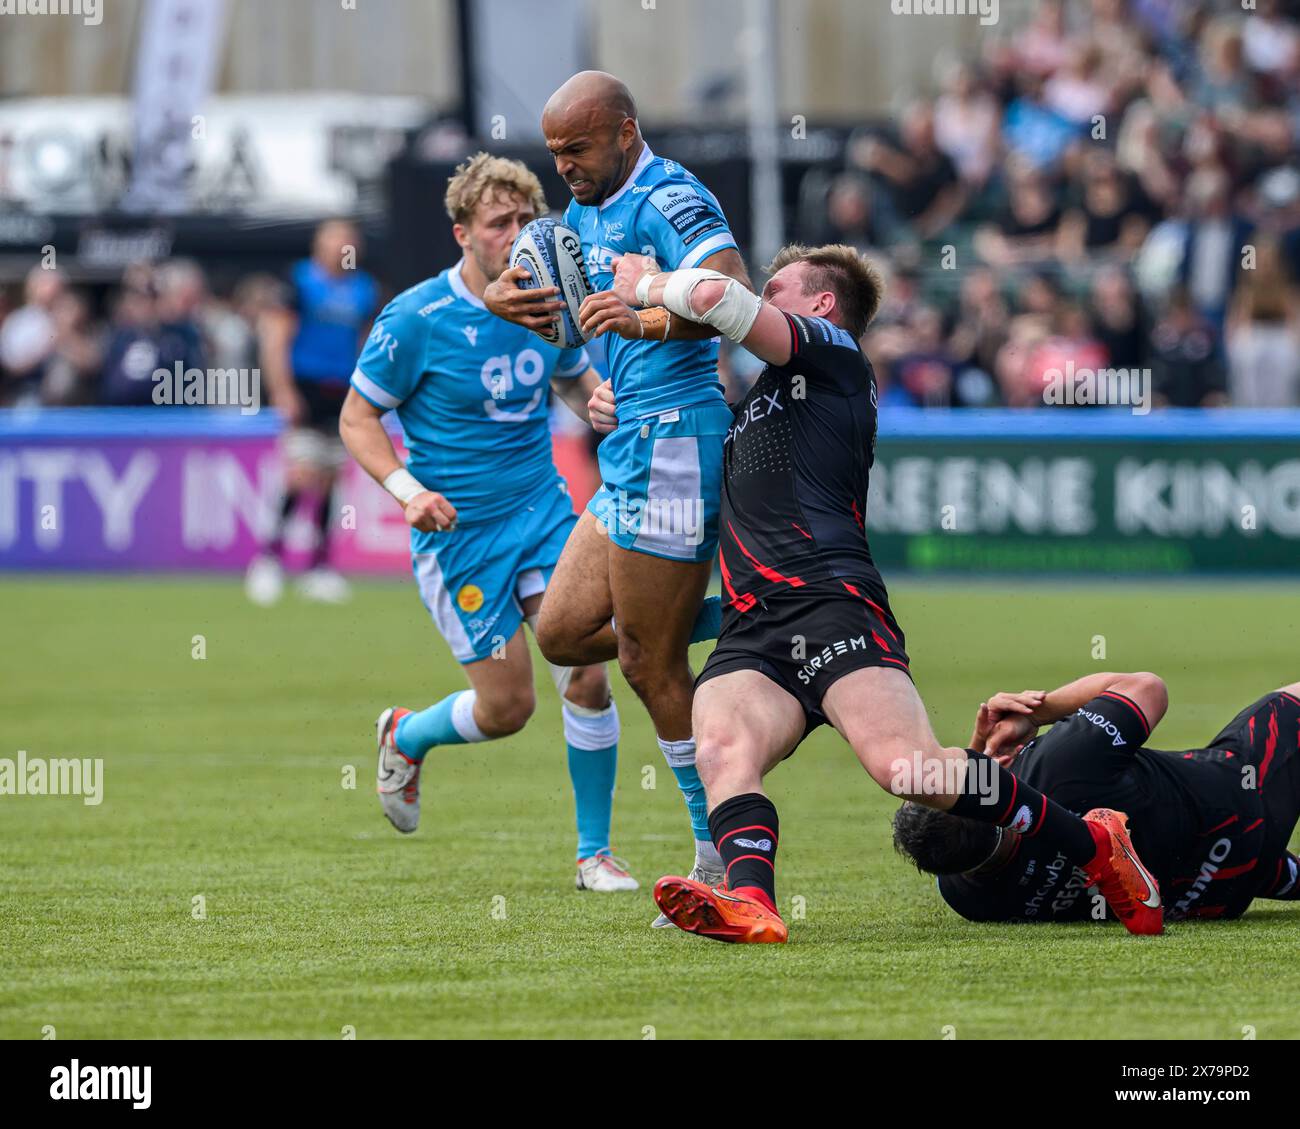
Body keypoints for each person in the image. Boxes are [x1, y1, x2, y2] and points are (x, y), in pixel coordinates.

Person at [588, 243, 1166, 943]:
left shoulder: (832, 354)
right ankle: (752, 901)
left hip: (831, 601)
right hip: (754, 623)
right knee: (721, 750)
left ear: (824, 303)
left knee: (908, 769)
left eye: (776, 286)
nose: (758, 293)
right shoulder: (762, 397)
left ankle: (1095, 843)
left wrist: (644, 282)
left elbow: (713, 299)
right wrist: (622, 406)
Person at [483, 71, 745, 921]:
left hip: (678, 443)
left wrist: (648, 318)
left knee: (642, 658)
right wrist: (526, 314)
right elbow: (554, 297)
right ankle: (748, 622)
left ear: (626, 132)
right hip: (630, 437)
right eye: (554, 152)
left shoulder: (670, 196)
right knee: (561, 633)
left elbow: (729, 291)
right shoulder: (585, 210)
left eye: (578, 149)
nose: (564, 167)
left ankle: (720, 850)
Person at [338, 153, 636, 892]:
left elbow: (569, 379)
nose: (514, 235)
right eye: (498, 223)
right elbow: (357, 416)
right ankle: (405, 733)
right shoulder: (416, 319)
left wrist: (595, 401)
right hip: (459, 536)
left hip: (541, 516)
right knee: (508, 707)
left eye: (526, 221)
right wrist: (407, 490)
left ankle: (593, 854)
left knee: (589, 676)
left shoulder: (549, 306)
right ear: (462, 233)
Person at [893, 672, 1300, 923]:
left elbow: (977, 821)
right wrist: (1040, 712)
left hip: (1220, 890)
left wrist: (983, 751)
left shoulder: (967, 896)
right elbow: (1146, 688)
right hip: (1242, 801)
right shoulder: (1058, 766)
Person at [246, 219, 380, 605]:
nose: (344, 249)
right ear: (320, 246)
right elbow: (275, 340)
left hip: (342, 392)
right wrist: (283, 391)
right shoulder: (298, 283)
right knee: (301, 473)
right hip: (304, 388)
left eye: (349, 242)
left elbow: (366, 341)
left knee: (330, 478)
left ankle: (319, 566)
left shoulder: (363, 289)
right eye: (337, 241)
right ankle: (268, 559)